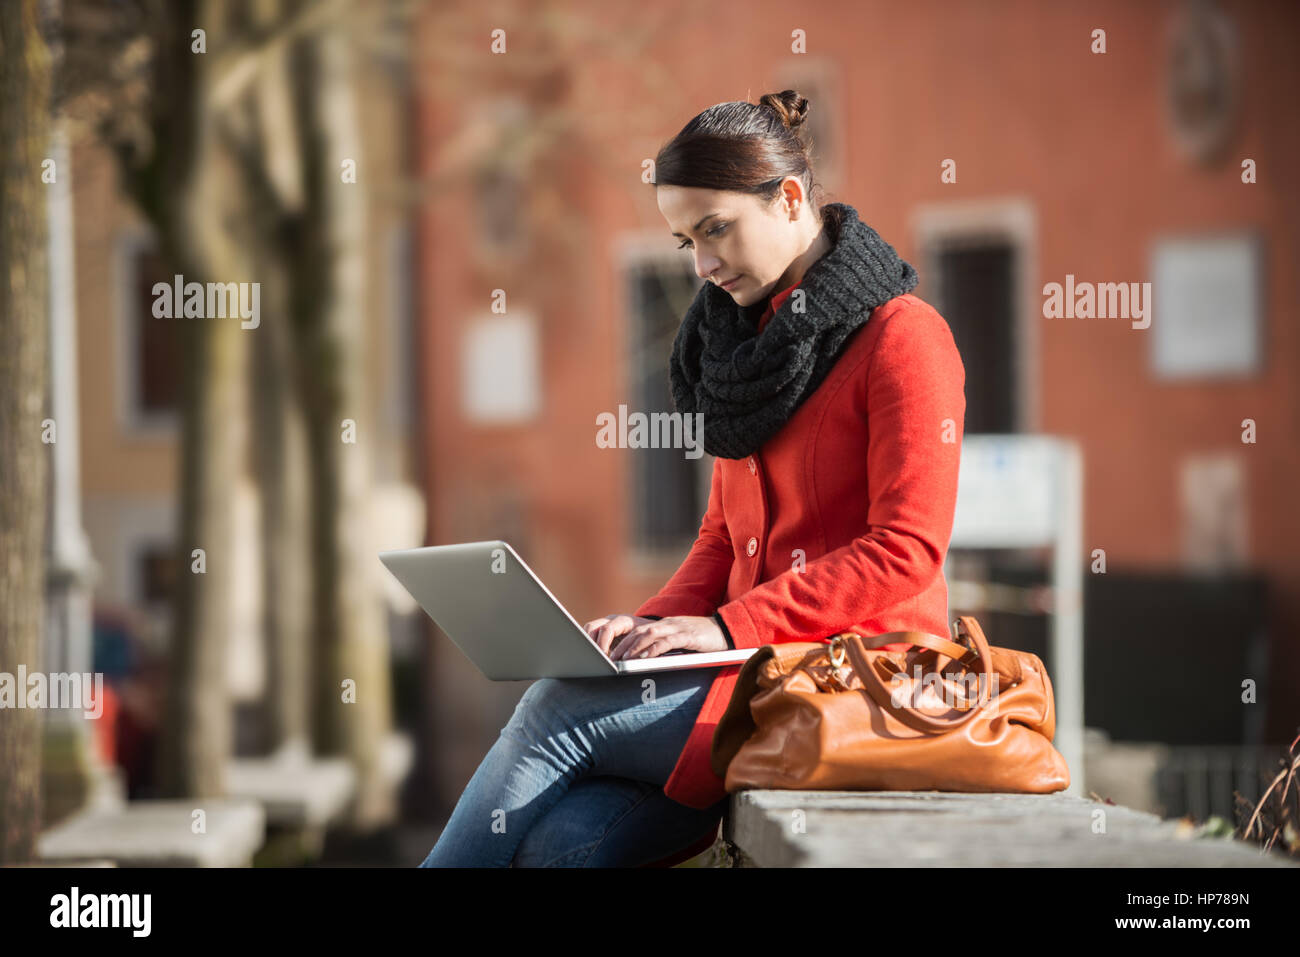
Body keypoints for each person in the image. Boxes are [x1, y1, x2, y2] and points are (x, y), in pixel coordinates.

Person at [419, 89, 965, 867]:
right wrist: (645, 632)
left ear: (788, 198)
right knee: (563, 845)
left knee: (554, 708)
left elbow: (907, 548)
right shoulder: (740, 351)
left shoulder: (905, 340)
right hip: (742, 676)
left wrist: (726, 630)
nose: (704, 265)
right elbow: (721, 536)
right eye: (685, 242)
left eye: (716, 229)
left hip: (854, 680)